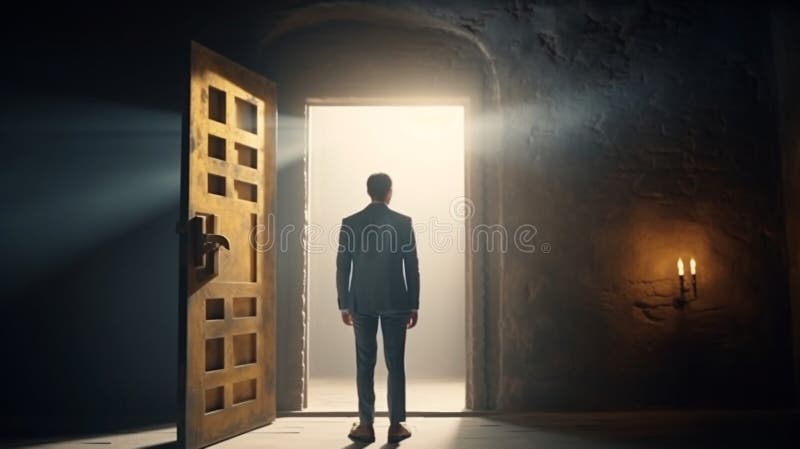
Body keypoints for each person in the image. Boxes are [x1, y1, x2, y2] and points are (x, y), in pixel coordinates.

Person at [336, 173, 420, 444]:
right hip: (396, 301)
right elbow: (412, 267)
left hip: (361, 302)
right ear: (389, 192)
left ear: (368, 191)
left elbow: (342, 267)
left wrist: (344, 303)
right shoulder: (403, 223)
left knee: (365, 363)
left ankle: (365, 425)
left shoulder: (350, 223)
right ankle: (396, 426)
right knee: (395, 364)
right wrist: (413, 304)